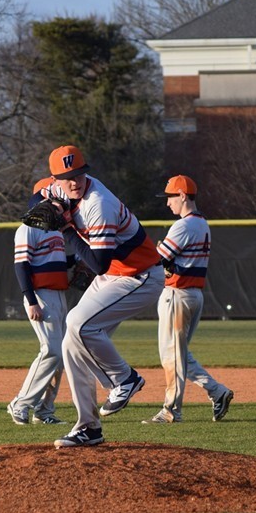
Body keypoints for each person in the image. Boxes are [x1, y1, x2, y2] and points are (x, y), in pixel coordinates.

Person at [41, 145, 165, 448]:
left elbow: (98, 264)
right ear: (56, 179)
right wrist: (49, 204)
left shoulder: (98, 203)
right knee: (72, 340)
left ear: (86, 171)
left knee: (80, 323)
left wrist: (66, 228)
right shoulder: (58, 190)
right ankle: (89, 427)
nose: (74, 182)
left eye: (79, 174)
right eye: (66, 177)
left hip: (142, 274)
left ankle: (125, 379)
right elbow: (36, 200)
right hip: (116, 275)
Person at [143, 175, 233, 424]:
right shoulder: (202, 223)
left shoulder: (183, 226)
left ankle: (171, 411)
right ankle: (218, 392)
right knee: (180, 355)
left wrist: (159, 257)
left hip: (177, 295)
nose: (167, 203)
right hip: (193, 295)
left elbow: (157, 260)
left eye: (170, 197)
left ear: (182, 195)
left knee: (172, 356)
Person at [6, 177, 69, 426]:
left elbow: (53, 262)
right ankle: (20, 404)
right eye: (56, 205)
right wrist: (30, 301)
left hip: (59, 295)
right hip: (40, 296)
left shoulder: (55, 230)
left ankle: (44, 411)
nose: (60, 210)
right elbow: (21, 266)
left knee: (61, 355)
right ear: (43, 201)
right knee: (51, 350)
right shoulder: (27, 228)